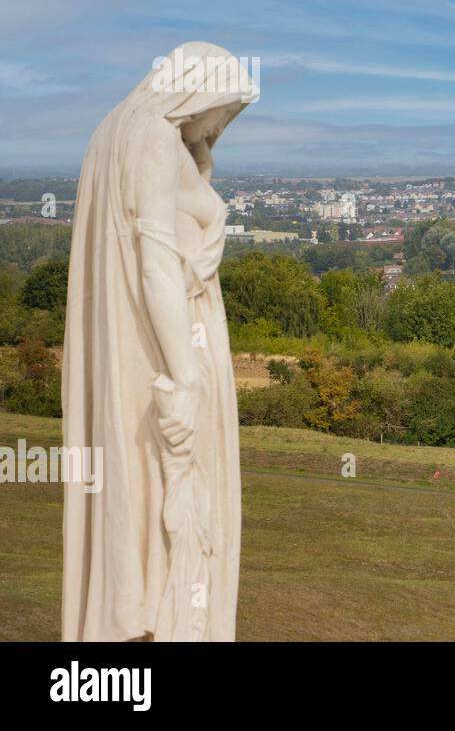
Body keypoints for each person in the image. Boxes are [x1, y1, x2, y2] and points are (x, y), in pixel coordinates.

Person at [62, 42, 257, 641]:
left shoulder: (114, 131)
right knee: (177, 496)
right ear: (196, 88)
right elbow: (153, 261)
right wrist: (187, 377)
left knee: (135, 483)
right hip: (173, 347)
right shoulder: (150, 134)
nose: (221, 126)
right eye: (223, 110)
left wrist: (198, 158)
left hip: (138, 349)